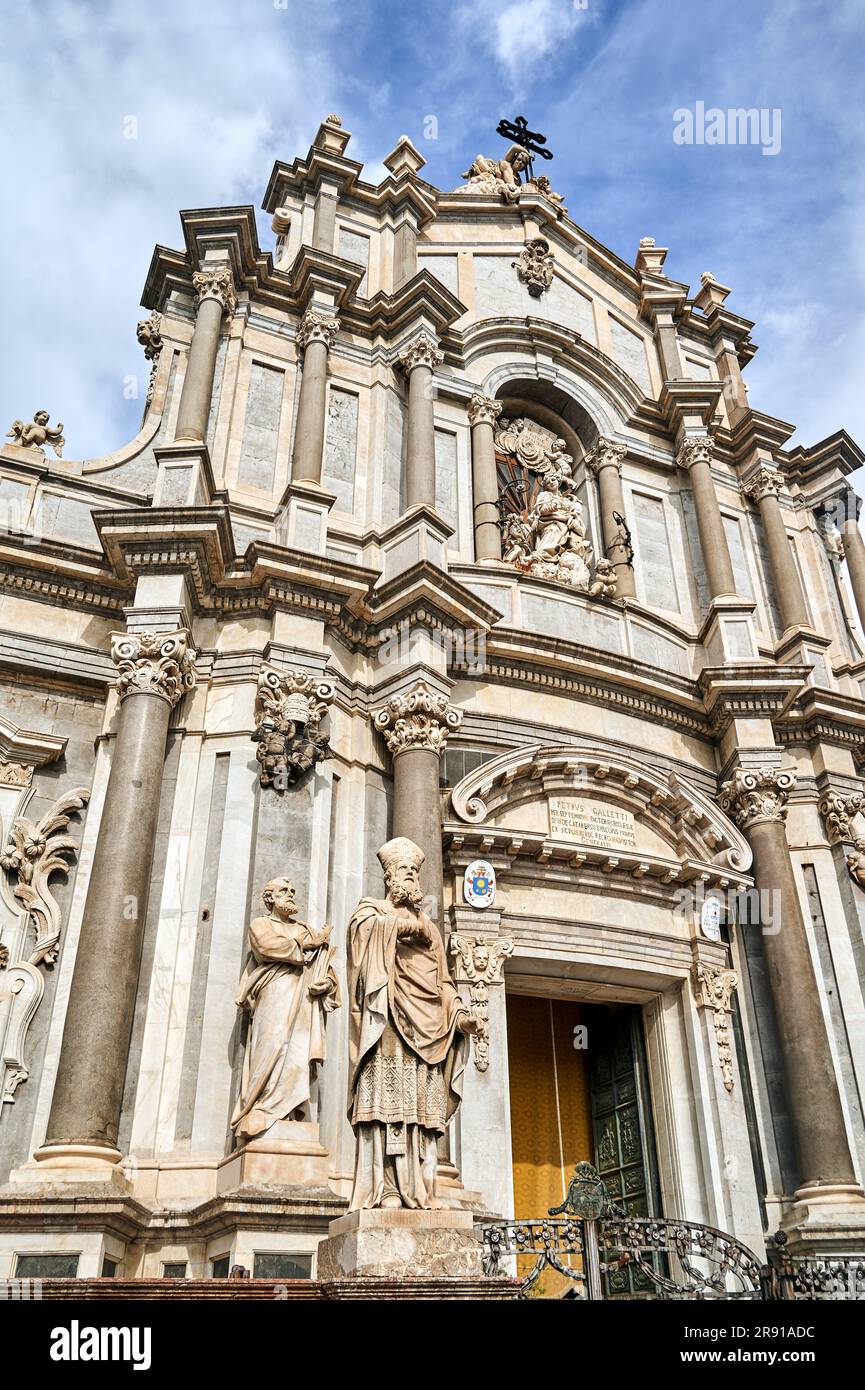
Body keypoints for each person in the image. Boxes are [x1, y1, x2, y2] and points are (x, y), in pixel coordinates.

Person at [346, 836, 478, 1209]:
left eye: (414, 873)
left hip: (430, 1031)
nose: (411, 879)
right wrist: (401, 929)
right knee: (389, 1109)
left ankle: (423, 1187)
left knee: (422, 1113)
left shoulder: (430, 928)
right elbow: (361, 940)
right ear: (389, 878)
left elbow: (443, 982)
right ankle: (385, 1188)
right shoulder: (370, 911)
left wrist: (460, 1015)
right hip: (386, 1022)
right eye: (404, 872)